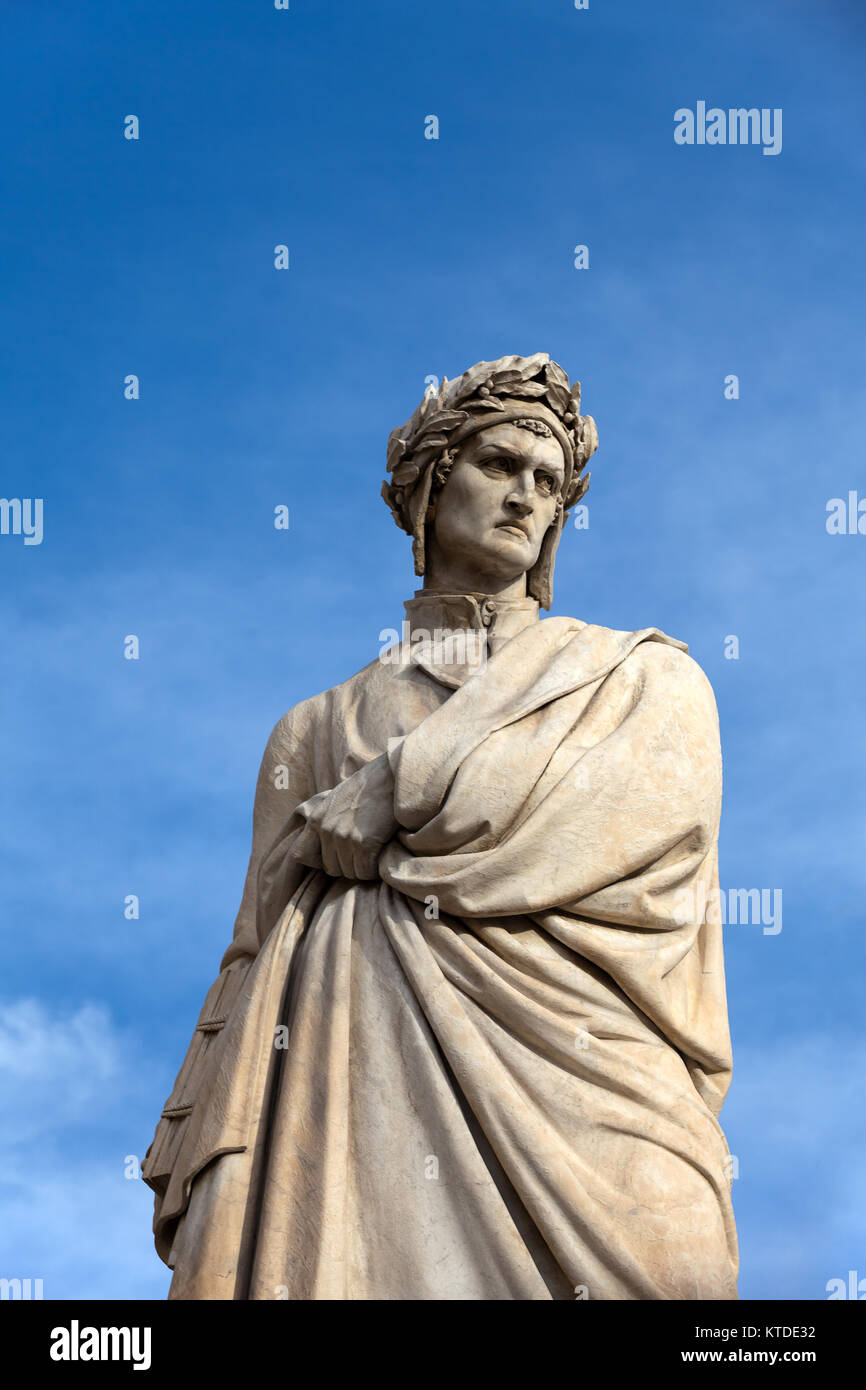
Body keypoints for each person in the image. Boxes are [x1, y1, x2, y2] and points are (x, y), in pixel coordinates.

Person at [143, 352, 739, 1300]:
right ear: (429, 488)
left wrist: (395, 791)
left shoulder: (640, 680)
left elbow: (639, 824)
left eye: (548, 484)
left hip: (595, 1093)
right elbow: (255, 956)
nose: (526, 499)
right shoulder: (313, 729)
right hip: (350, 1098)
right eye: (499, 466)